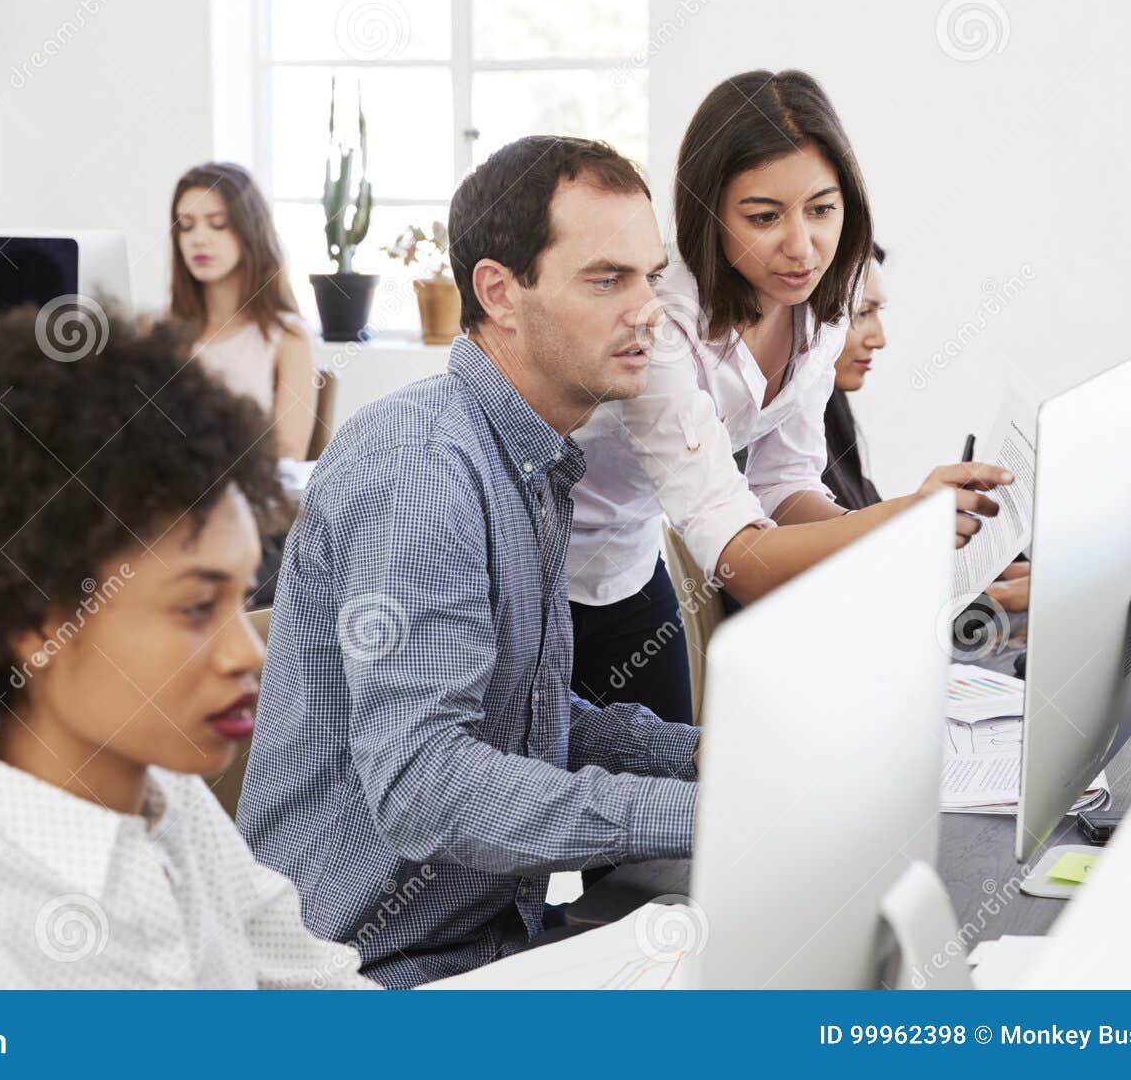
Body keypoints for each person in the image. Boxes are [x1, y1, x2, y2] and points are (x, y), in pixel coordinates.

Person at [0, 304, 373, 989]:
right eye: (195, 606)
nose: (251, 655)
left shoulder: (174, 802)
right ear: (37, 620)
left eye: (242, 600)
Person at [237, 136, 702, 988]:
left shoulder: (526, 457)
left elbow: (519, 714)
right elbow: (427, 783)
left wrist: (704, 761)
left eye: (651, 275)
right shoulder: (424, 469)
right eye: (608, 279)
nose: (649, 311)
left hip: (479, 945)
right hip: (369, 973)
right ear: (499, 292)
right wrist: (708, 813)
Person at [569, 70, 1012, 723]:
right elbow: (738, 561)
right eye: (763, 216)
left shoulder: (820, 307)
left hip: (631, 568)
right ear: (709, 210)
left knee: (679, 792)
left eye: (822, 209)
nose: (803, 246)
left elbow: (784, 485)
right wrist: (903, 521)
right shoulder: (662, 324)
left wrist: (923, 537)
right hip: (549, 582)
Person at [824, 245, 1030, 611]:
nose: (879, 338)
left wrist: (999, 575)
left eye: (878, 312)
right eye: (862, 313)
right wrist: (1000, 598)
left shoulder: (828, 406)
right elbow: (841, 589)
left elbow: (866, 542)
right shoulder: (765, 440)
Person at [169, 161, 319, 461]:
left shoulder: (289, 338)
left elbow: (287, 456)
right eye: (186, 225)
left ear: (248, 229)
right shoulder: (158, 330)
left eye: (217, 224)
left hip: (246, 501)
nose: (199, 238)